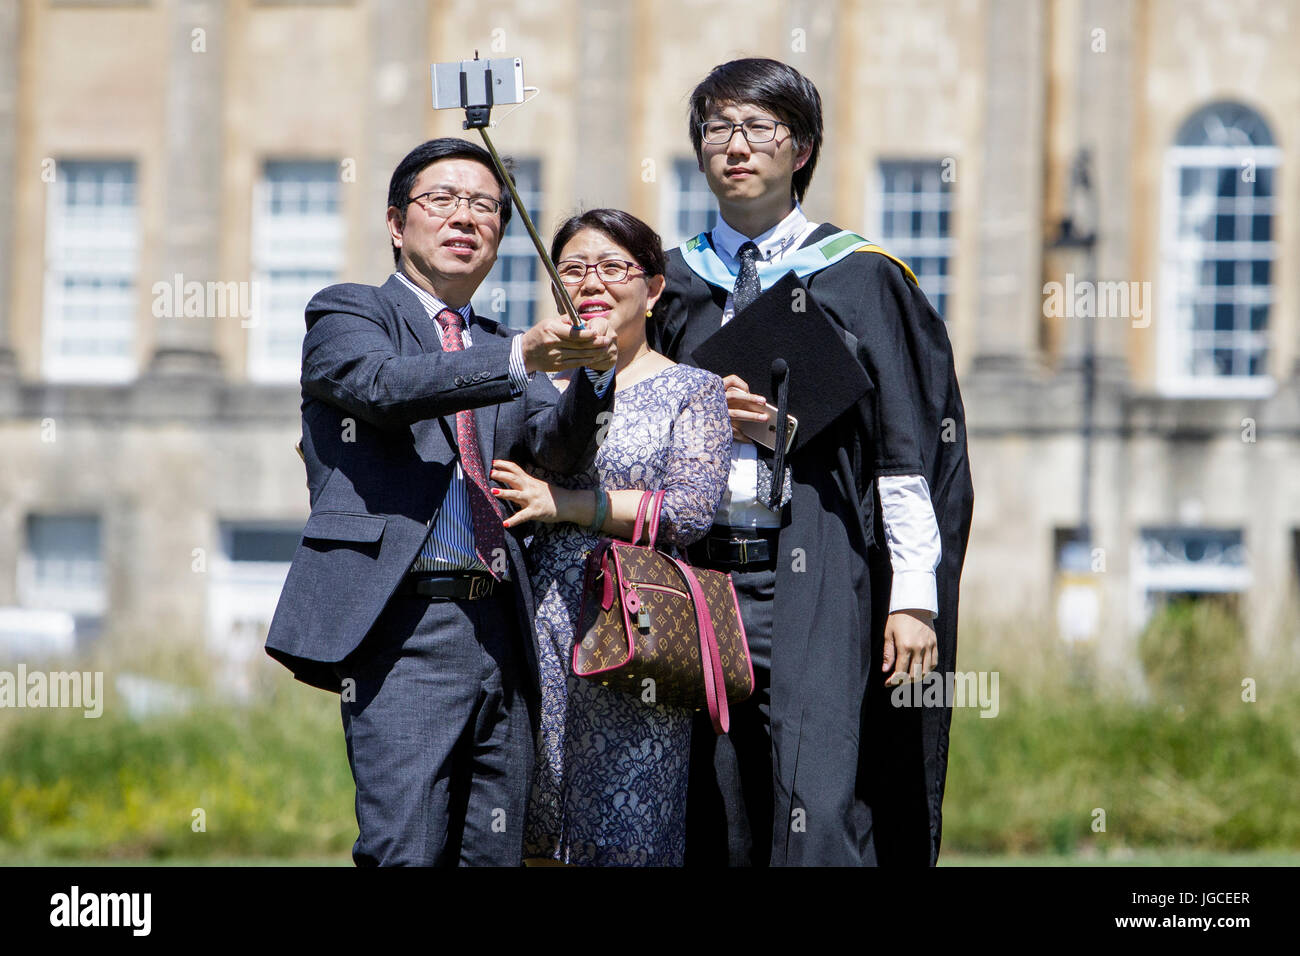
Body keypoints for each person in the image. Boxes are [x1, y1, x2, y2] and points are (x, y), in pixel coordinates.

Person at [648, 58, 974, 866]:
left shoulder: (863, 278)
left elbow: (908, 450)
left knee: (820, 801)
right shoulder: (668, 283)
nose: (737, 146)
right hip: (695, 569)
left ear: (802, 149)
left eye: (760, 128)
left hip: (820, 563)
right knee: (706, 802)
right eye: (718, 128)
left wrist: (915, 599)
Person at [264, 138, 619, 866]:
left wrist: (592, 375)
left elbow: (555, 450)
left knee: (494, 852)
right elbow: (383, 390)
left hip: (501, 622)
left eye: (485, 206)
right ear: (396, 223)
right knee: (408, 847)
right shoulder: (348, 314)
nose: (465, 217)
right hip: (405, 625)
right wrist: (520, 357)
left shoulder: (496, 344)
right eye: (443, 201)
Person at [489, 209, 732, 866]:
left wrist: (566, 504)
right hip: (535, 617)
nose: (590, 282)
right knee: (531, 820)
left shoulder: (694, 389)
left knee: (630, 827)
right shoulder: (532, 384)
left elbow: (688, 510)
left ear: (653, 288)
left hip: (640, 625)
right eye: (572, 269)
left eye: (612, 267)